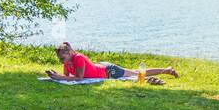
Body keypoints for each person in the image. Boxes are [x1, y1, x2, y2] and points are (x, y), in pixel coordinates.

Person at [46, 43, 178, 85]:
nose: (61, 61)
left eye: (62, 58)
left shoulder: (78, 58)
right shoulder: (68, 62)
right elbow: (67, 77)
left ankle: (167, 70)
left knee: (137, 74)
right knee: (135, 72)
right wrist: (57, 76)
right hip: (101, 67)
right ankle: (166, 70)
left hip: (108, 71)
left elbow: (79, 78)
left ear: (69, 53)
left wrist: (60, 77)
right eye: (60, 59)